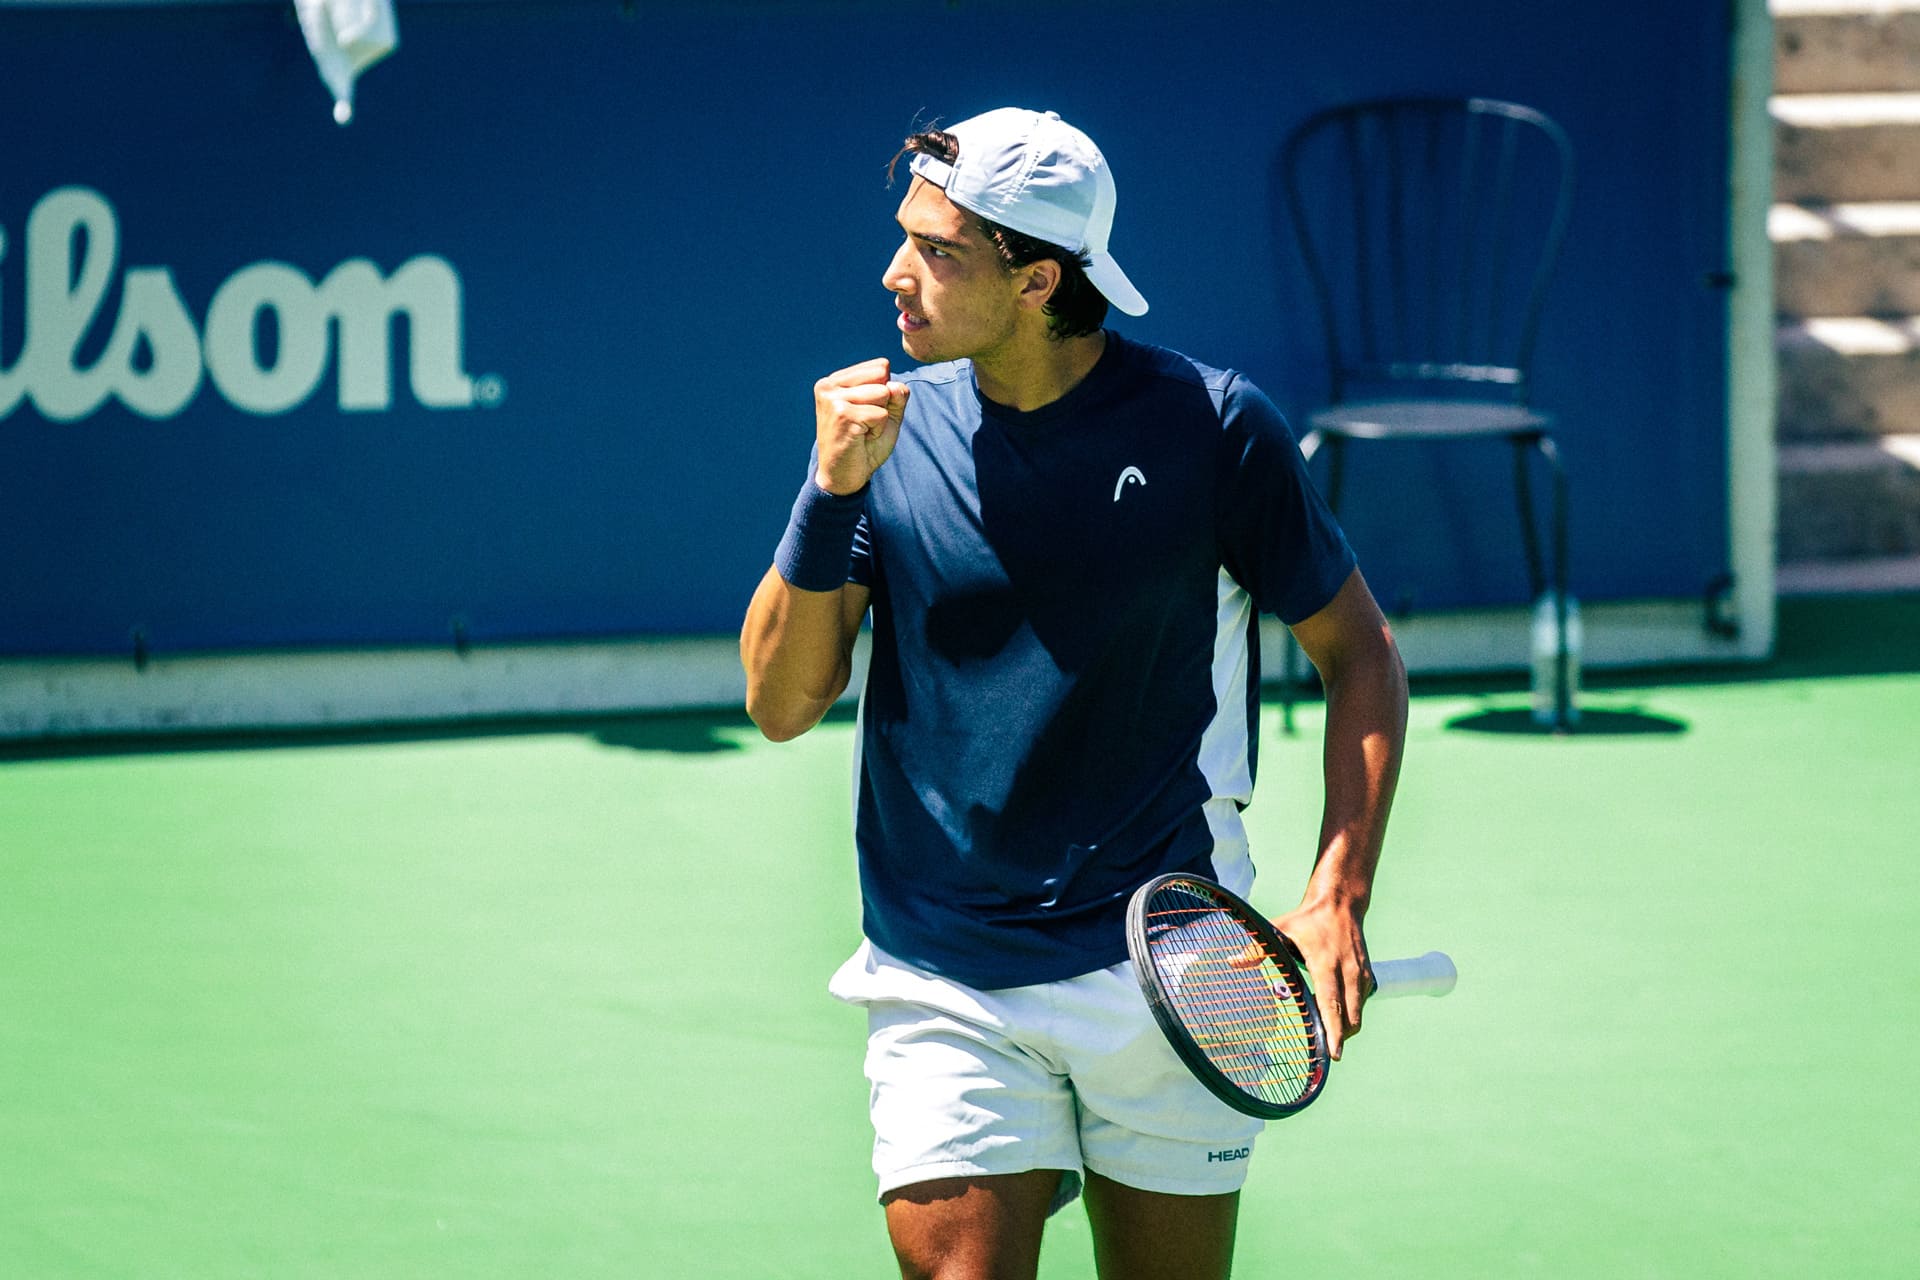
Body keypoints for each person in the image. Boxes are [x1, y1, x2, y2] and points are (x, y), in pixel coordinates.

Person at [740, 106, 1407, 1280]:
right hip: (943, 965)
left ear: (1038, 279)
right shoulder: (887, 441)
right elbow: (779, 701)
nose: (895, 272)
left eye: (936, 250)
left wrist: (1336, 892)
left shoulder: (1214, 427)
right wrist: (827, 491)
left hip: (1170, 953)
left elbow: (1360, 653)